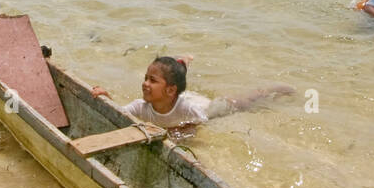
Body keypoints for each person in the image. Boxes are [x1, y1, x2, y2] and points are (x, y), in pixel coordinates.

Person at [91, 56, 292, 130]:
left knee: (243, 104)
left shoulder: (189, 110)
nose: (145, 84)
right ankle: (182, 63)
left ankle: (272, 90)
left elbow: (200, 123)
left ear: (169, 90)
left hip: (207, 106)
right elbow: (118, 114)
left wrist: (177, 132)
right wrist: (105, 96)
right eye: (145, 78)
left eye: (152, 80)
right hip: (180, 95)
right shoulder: (140, 106)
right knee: (175, 75)